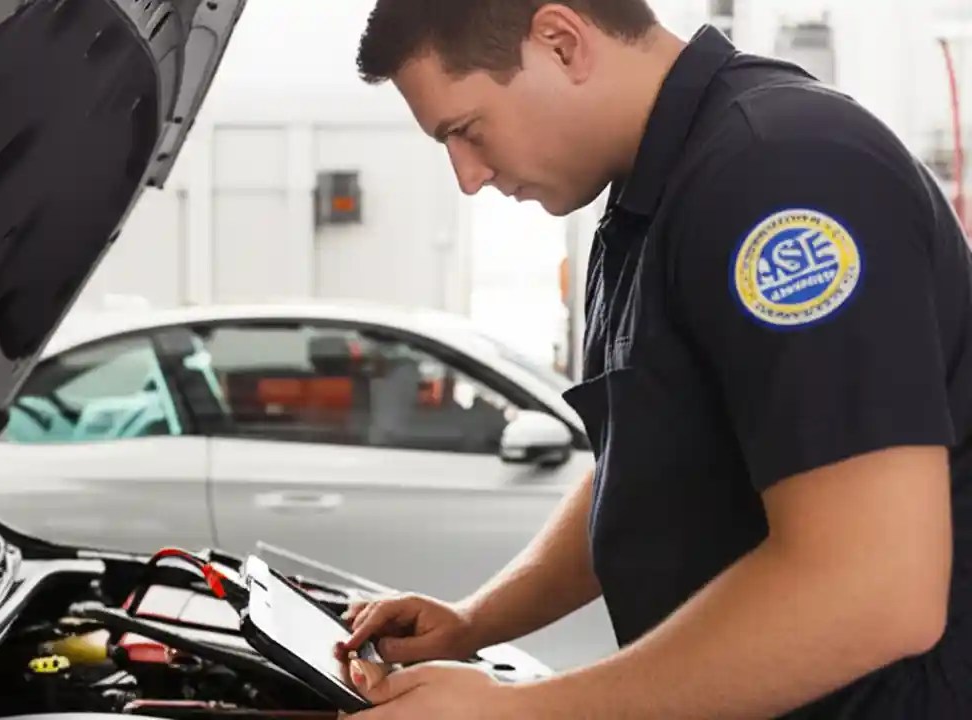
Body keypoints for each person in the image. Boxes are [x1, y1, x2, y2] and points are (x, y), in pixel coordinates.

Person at [335, 1, 972, 718]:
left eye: (466, 130)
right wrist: (477, 620)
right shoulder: (652, 199)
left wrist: (519, 711)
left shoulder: (783, 173)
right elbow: (649, 467)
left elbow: (874, 589)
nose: (468, 177)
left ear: (561, 41)